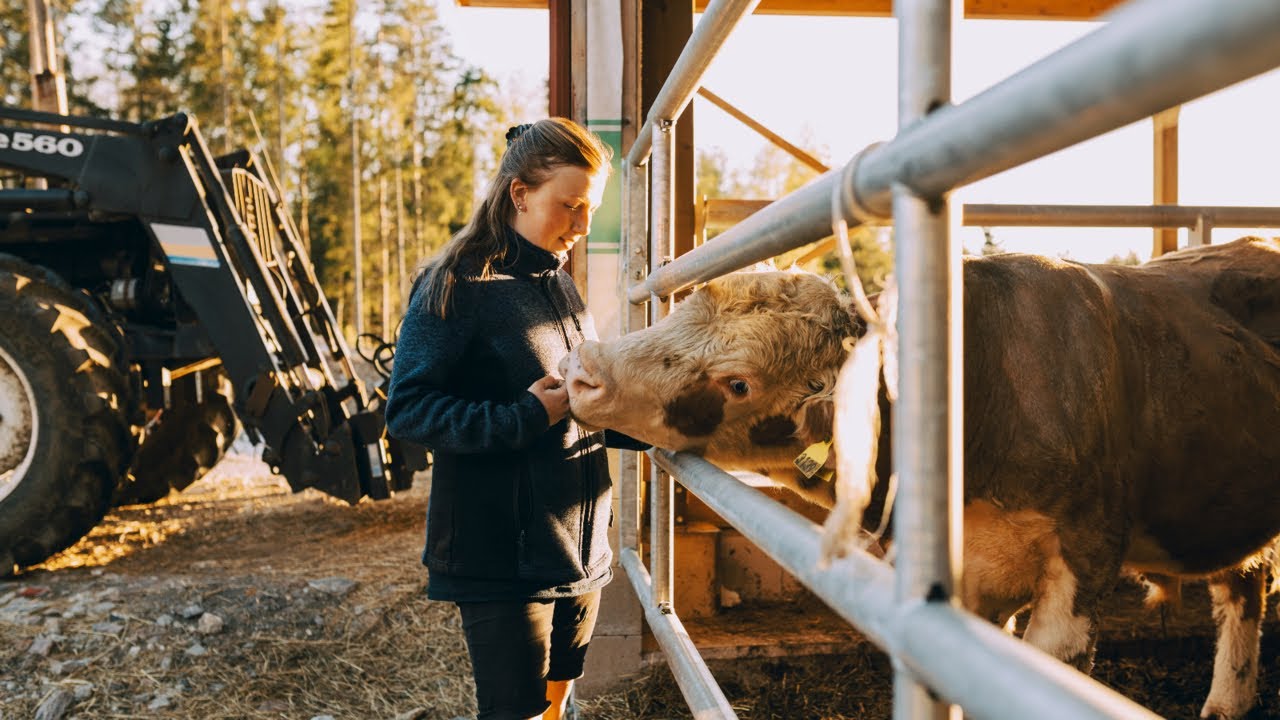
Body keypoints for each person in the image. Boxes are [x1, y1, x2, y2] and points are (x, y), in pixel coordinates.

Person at [386, 117, 643, 720]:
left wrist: (658, 423)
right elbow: (409, 410)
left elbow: (579, 403)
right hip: (501, 556)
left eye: (590, 208)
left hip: (577, 549)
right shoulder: (457, 285)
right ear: (519, 194)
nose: (582, 225)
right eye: (570, 206)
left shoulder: (558, 285)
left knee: (557, 703)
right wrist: (526, 415)